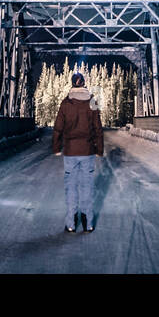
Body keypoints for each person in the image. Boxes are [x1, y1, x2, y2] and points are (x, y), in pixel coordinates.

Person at [51, 72, 104, 233]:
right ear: (84, 84)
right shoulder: (92, 101)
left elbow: (58, 127)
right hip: (87, 150)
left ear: (73, 84)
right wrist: (99, 149)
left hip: (70, 151)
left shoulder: (66, 103)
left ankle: (71, 224)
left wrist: (56, 147)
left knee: (71, 187)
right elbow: (98, 128)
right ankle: (89, 223)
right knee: (87, 186)